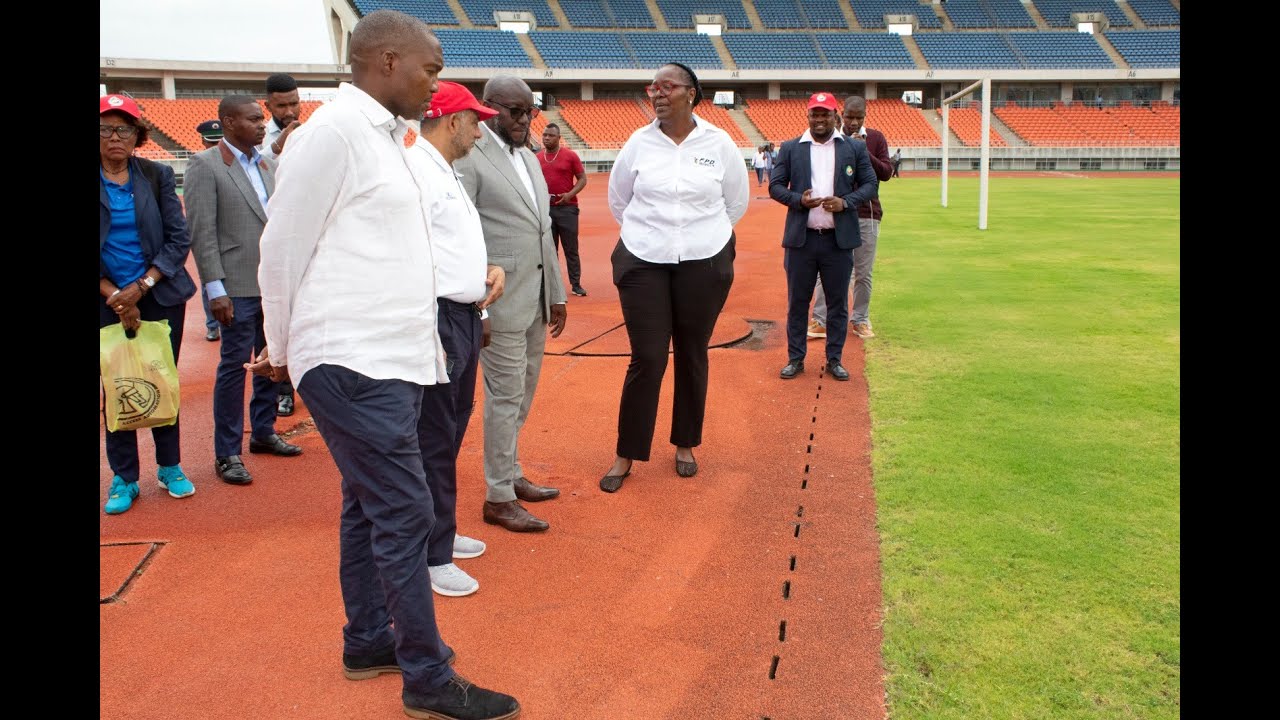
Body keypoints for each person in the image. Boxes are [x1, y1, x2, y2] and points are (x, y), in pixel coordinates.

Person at [252, 11, 520, 719]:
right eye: (431, 69)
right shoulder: (331, 135)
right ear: (389, 61)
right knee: (405, 508)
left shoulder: (390, 140)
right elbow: (282, 247)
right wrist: (280, 350)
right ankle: (426, 677)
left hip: (393, 355)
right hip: (350, 356)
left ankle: (369, 639)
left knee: (366, 506)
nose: (437, 85)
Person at [597, 62, 749, 493]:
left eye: (668, 87)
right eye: (653, 88)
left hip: (704, 259)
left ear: (691, 94)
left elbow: (734, 203)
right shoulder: (637, 143)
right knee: (647, 356)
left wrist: (696, 237)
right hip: (644, 258)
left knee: (692, 351)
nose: (658, 94)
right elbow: (619, 200)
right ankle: (626, 452)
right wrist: (657, 235)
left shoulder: (719, 144)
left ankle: (685, 442)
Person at [453, 75, 567, 533]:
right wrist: (478, 307)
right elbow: (461, 234)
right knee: (504, 397)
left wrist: (556, 292)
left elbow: (544, 230)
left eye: (530, 112)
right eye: (515, 112)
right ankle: (498, 496)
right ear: (489, 107)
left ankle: (511, 471)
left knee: (524, 392)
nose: (524, 121)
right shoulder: (470, 158)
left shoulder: (530, 157)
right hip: (497, 302)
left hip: (535, 299)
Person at [409, 82, 507, 598]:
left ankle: (439, 531)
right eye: (475, 119)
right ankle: (431, 555)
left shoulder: (441, 168)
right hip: (440, 318)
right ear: (451, 121)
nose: (480, 128)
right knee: (433, 437)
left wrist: (484, 275)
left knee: (449, 433)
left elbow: (452, 249)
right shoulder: (420, 171)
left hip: (465, 313)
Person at [186, 94, 303, 488]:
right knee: (235, 368)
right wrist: (215, 290)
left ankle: (265, 430)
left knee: (272, 360)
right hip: (234, 287)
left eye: (260, 119)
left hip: (271, 285)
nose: (260, 124)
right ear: (228, 122)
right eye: (253, 119)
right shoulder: (205, 166)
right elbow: (202, 233)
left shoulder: (267, 164)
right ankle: (227, 451)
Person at [99, 94, 199, 514]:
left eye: (123, 129)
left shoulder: (156, 175)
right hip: (105, 300)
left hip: (158, 295)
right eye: (104, 129)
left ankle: (169, 465)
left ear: (138, 135)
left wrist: (141, 286)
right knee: (117, 386)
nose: (114, 137)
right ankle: (124, 476)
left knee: (163, 381)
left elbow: (179, 239)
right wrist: (117, 298)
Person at [769, 92, 878, 383]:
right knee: (797, 302)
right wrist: (797, 200)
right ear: (808, 116)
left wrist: (846, 202)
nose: (819, 119)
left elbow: (870, 183)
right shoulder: (791, 148)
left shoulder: (852, 148)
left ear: (835, 117)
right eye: (815, 114)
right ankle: (795, 358)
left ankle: (834, 359)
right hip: (801, 240)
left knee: (838, 303)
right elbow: (775, 186)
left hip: (837, 241)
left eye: (825, 114)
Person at [809, 95, 894, 342]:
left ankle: (860, 319)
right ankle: (821, 319)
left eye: (859, 118)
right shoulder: (832, 138)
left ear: (865, 116)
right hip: (838, 212)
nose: (854, 122)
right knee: (827, 269)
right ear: (841, 115)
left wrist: (864, 152)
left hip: (867, 212)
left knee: (863, 272)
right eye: (849, 117)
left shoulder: (875, 138)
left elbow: (887, 173)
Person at [258, 73, 303, 417]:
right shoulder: (259, 137)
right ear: (269, 105)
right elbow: (255, 169)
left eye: (294, 103)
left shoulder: (311, 131)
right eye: (282, 105)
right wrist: (276, 148)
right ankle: (282, 390)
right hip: (270, 236)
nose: (289, 110)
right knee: (275, 318)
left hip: (301, 234)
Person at [537, 122, 589, 297]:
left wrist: (570, 194)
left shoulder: (570, 156)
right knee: (549, 250)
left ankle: (576, 284)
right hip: (546, 210)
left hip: (567, 209)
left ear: (559, 138)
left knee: (571, 249)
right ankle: (551, 285)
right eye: (544, 135)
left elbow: (582, 178)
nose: (546, 138)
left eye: (550, 135)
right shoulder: (536, 158)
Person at [195, 119, 224, 342]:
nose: (213, 146)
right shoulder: (199, 164)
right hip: (210, 235)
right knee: (210, 283)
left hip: (232, 234)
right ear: (203, 141)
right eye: (210, 142)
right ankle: (212, 324)